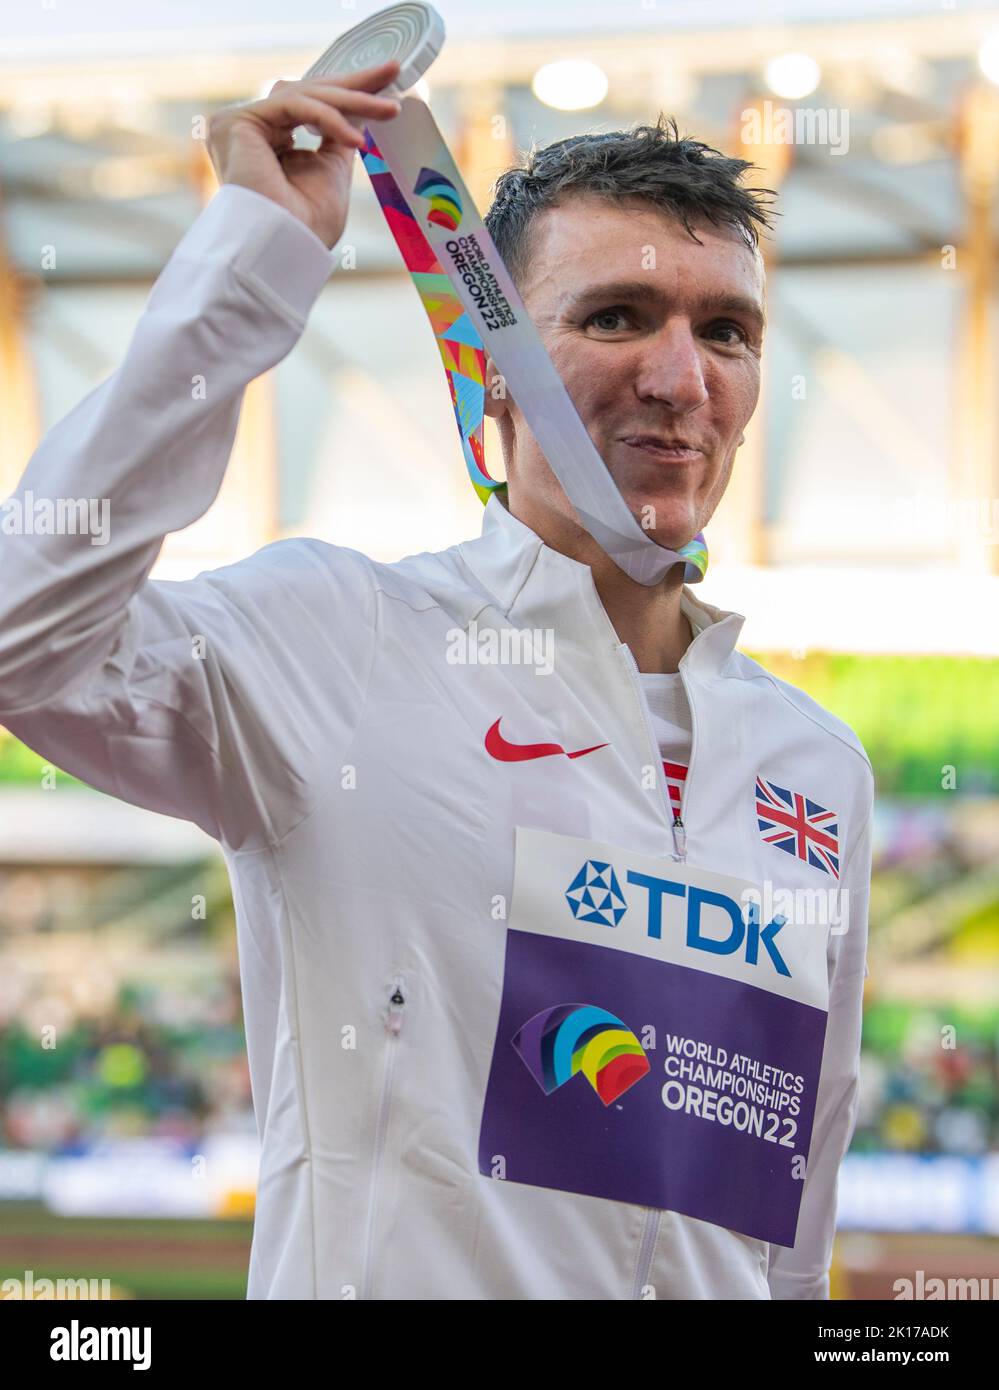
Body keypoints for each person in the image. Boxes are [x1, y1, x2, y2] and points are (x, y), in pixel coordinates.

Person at [0, 59, 874, 1300]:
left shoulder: (816, 765)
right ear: (491, 364)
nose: (683, 380)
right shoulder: (343, 639)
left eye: (725, 331)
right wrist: (247, 270)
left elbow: (791, 1236)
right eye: (617, 316)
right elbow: (19, 636)